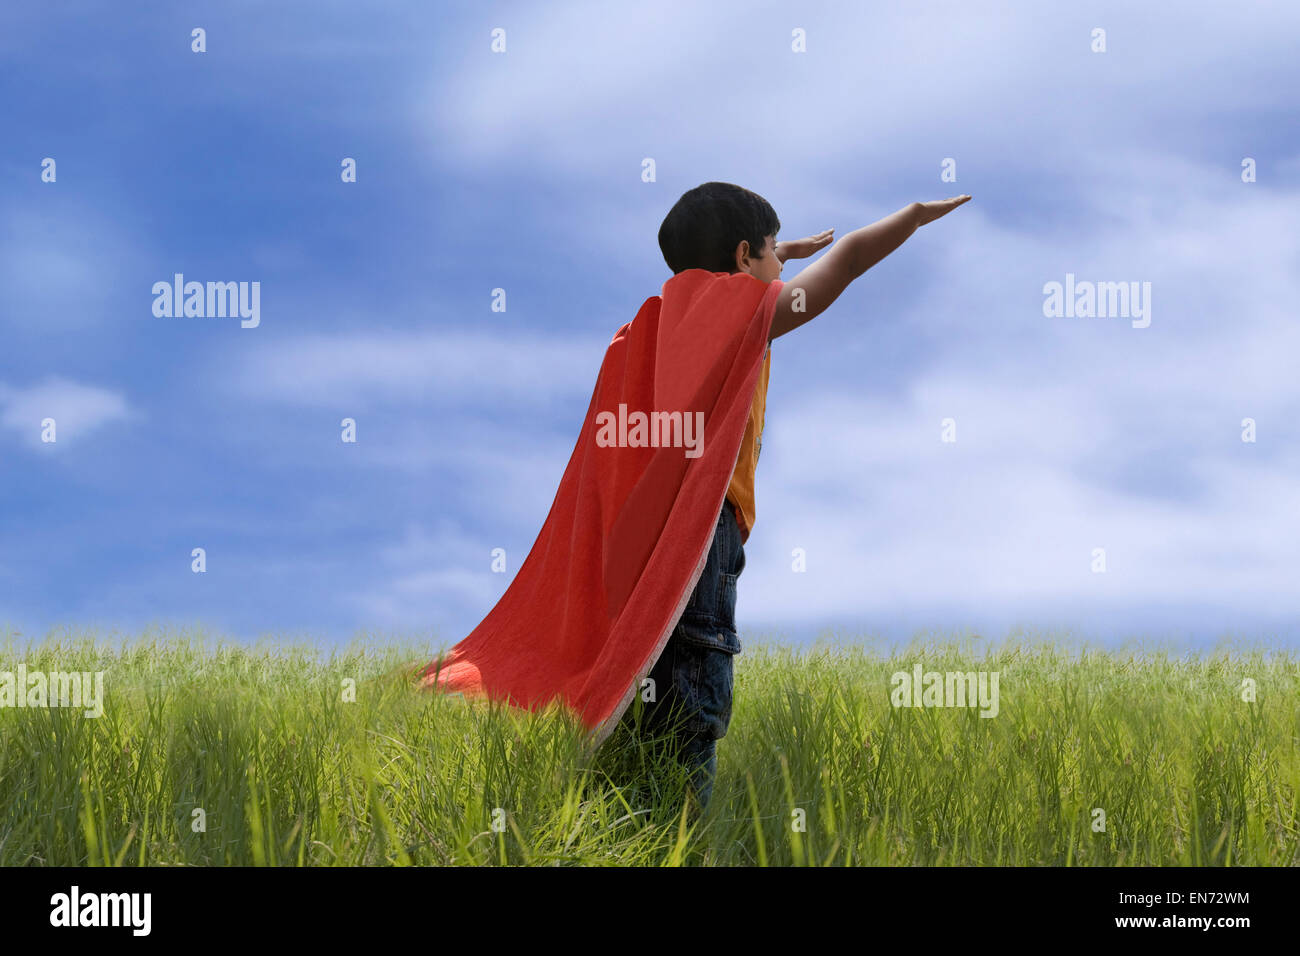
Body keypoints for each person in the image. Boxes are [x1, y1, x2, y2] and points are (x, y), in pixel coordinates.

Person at [618, 182, 972, 815]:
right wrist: (913, 217)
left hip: (639, 540)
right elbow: (852, 258)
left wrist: (777, 250)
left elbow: (737, 272)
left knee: (639, 699)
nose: (785, 263)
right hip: (705, 527)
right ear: (745, 254)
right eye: (775, 253)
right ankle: (678, 848)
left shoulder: (656, 324)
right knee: (693, 706)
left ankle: (625, 836)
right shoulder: (747, 311)